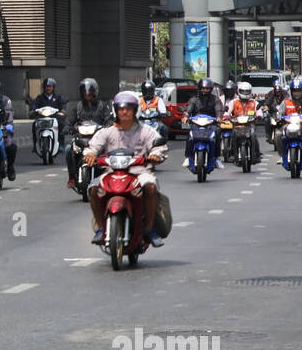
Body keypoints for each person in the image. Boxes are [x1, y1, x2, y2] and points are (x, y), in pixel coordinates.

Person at [84, 91, 168, 247]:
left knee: (150, 187)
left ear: (135, 110)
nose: (124, 111)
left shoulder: (146, 131)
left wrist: (156, 154)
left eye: (128, 108)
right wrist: (90, 154)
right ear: (115, 110)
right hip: (111, 173)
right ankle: (101, 229)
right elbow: (93, 146)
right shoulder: (107, 132)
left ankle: (149, 229)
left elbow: (158, 145)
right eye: (121, 108)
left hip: (139, 173)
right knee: (94, 189)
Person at [65, 78, 115, 187]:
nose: (87, 94)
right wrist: (67, 127)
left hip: (98, 138)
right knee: (68, 149)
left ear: (95, 92)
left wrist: (108, 125)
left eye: (90, 92)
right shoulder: (77, 107)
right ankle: (72, 177)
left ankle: (110, 175)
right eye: (85, 91)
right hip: (81, 138)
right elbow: (69, 120)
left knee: (112, 149)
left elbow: (109, 119)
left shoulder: (102, 106)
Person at [183, 77, 224, 168]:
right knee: (189, 134)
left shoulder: (215, 99)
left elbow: (219, 109)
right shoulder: (194, 99)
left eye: (207, 88)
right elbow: (188, 109)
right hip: (196, 123)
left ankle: (216, 158)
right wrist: (186, 116)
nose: (205, 90)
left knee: (217, 132)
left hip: (211, 124)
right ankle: (187, 156)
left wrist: (219, 117)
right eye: (203, 88)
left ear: (210, 89)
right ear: (199, 88)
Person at [225, 81, 261, 163]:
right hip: (237, 125)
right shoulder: (233, 102)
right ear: (238, 91)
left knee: (254, 136)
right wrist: (226, 115)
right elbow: (227, 110)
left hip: (250, 125)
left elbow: (259, 110)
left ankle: (256, 154)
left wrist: (259, 115)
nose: (245, 93)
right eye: (243, 91)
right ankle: (232, 154)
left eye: (247, 92)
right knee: (233, 136)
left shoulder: (254, 102)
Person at [27, 77, 67, 146]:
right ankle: (35, 144)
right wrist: (32, 110)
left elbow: (62, 104)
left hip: (55, 117)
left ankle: (60, 144)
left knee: (61, 125)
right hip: (42, 118)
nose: (48, 88)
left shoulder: (58, 97)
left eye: (49, 86)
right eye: (46, 86)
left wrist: (63, 110)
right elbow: (34, 104)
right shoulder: (39, 97)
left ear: (53, 87)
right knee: (34, 125)